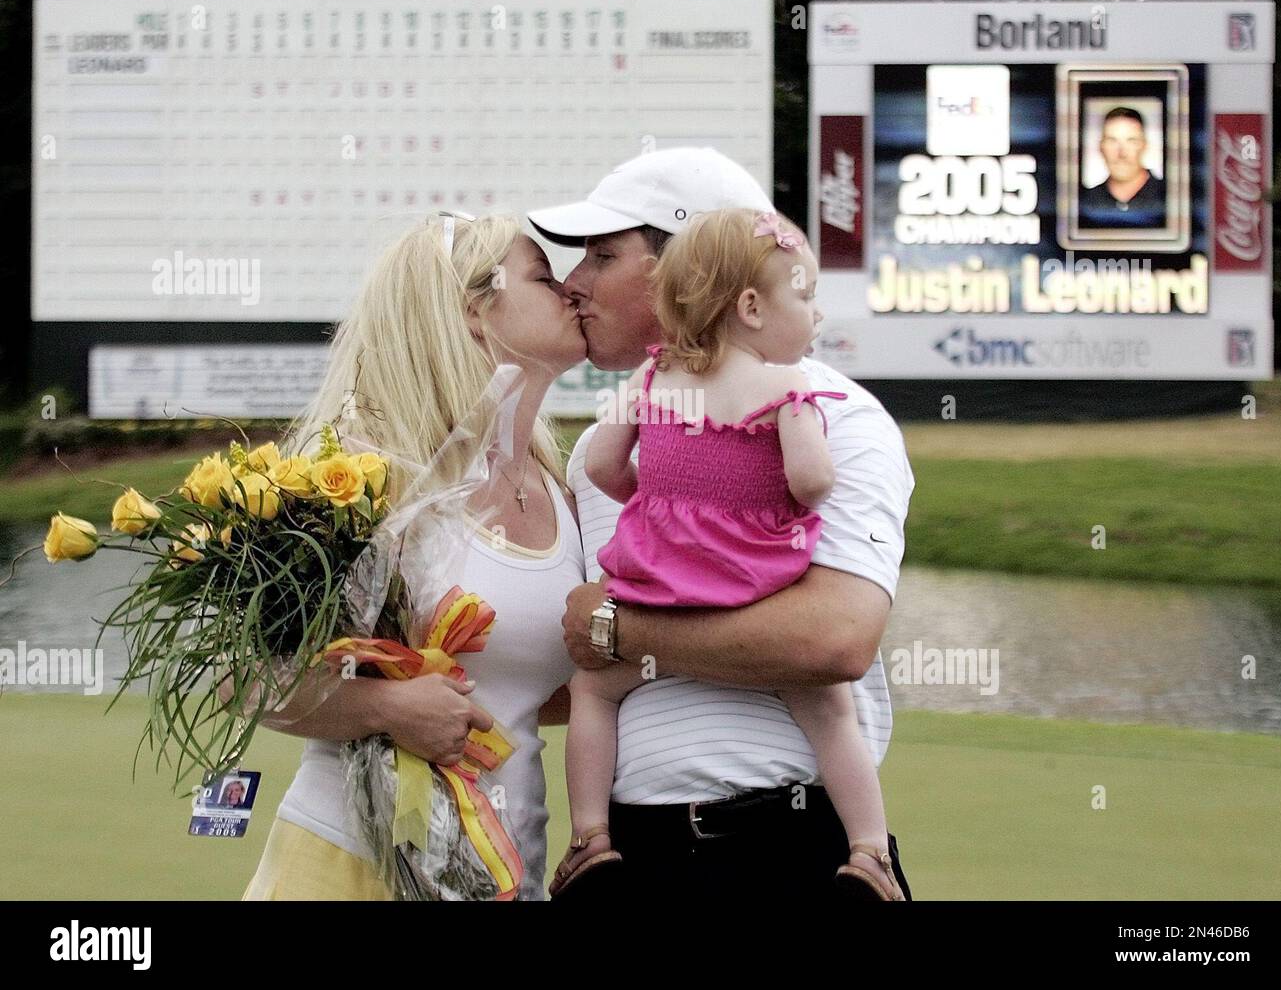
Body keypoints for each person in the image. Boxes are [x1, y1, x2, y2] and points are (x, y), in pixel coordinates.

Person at [529, 147, 916, 901]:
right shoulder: (607, 442)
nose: (574, 282)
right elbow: (573, 663)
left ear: (692, 270)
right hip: (631, 861)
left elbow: (833, 639)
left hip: (791, 849)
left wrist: (623, 632)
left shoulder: (840, 414)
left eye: (604, 256)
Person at [240, 212, 586, 900]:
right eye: (545, 278)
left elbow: (530, 690)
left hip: (501, 872)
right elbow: (242, 677)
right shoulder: (367, 470)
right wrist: (387, 708)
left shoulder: (563, 489)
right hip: (351, 864)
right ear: (474, 312)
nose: (574, 291)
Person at [1079, 106, 1167, 229]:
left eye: (1131, 141)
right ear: (1101, 147)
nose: (1122, 153)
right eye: (1112, 141)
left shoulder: (1168, 197)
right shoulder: (1083, 202)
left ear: (1144, 145)